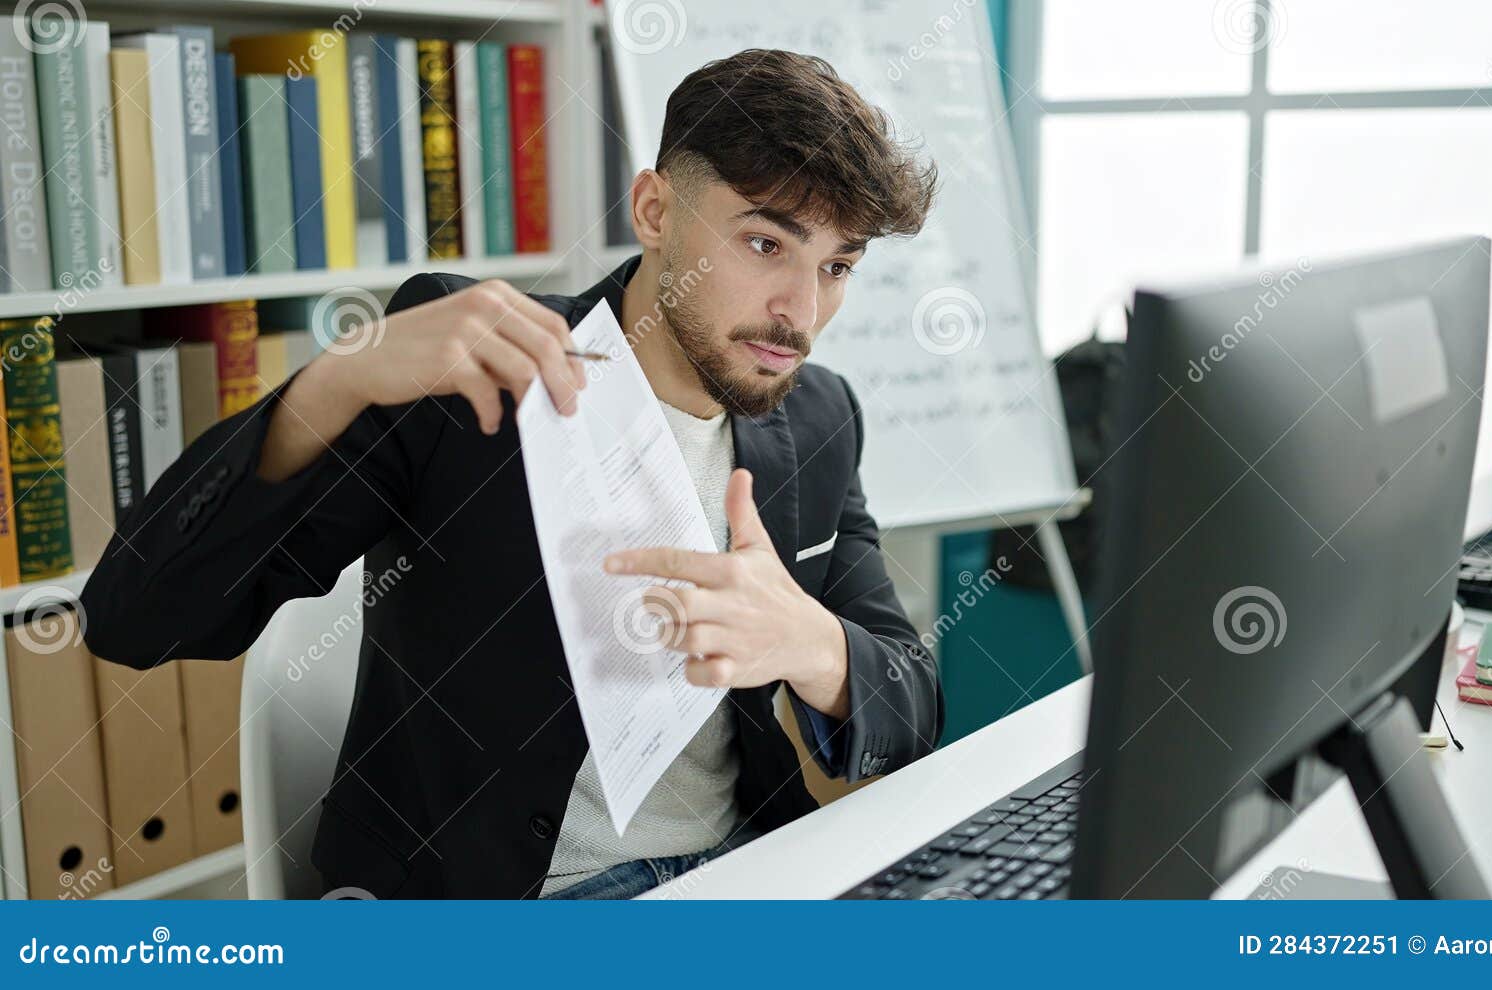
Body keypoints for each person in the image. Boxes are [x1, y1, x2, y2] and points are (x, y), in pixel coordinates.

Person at [82, 48, 943, 899]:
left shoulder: (821, 417)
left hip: (743, 872)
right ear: (653, 209)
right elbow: (135, 618)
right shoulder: (469, 368)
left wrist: (808, 642)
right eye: (765, 243)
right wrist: (337, 381)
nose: (802, 312)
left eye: (837, 267)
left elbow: (913, 705)